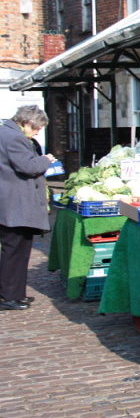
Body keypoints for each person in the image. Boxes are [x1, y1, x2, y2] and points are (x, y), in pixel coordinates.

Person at [0, 105, 56, 311]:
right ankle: (8, 296)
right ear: (26, 123)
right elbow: (28, 167)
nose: (37, 133)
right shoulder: (13, 138)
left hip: (13, 203)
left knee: (19, 251)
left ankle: (15, 293)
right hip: (14, 204)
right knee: (14, 251)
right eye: (36, 129)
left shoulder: (7, 133)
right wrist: (45, 160)